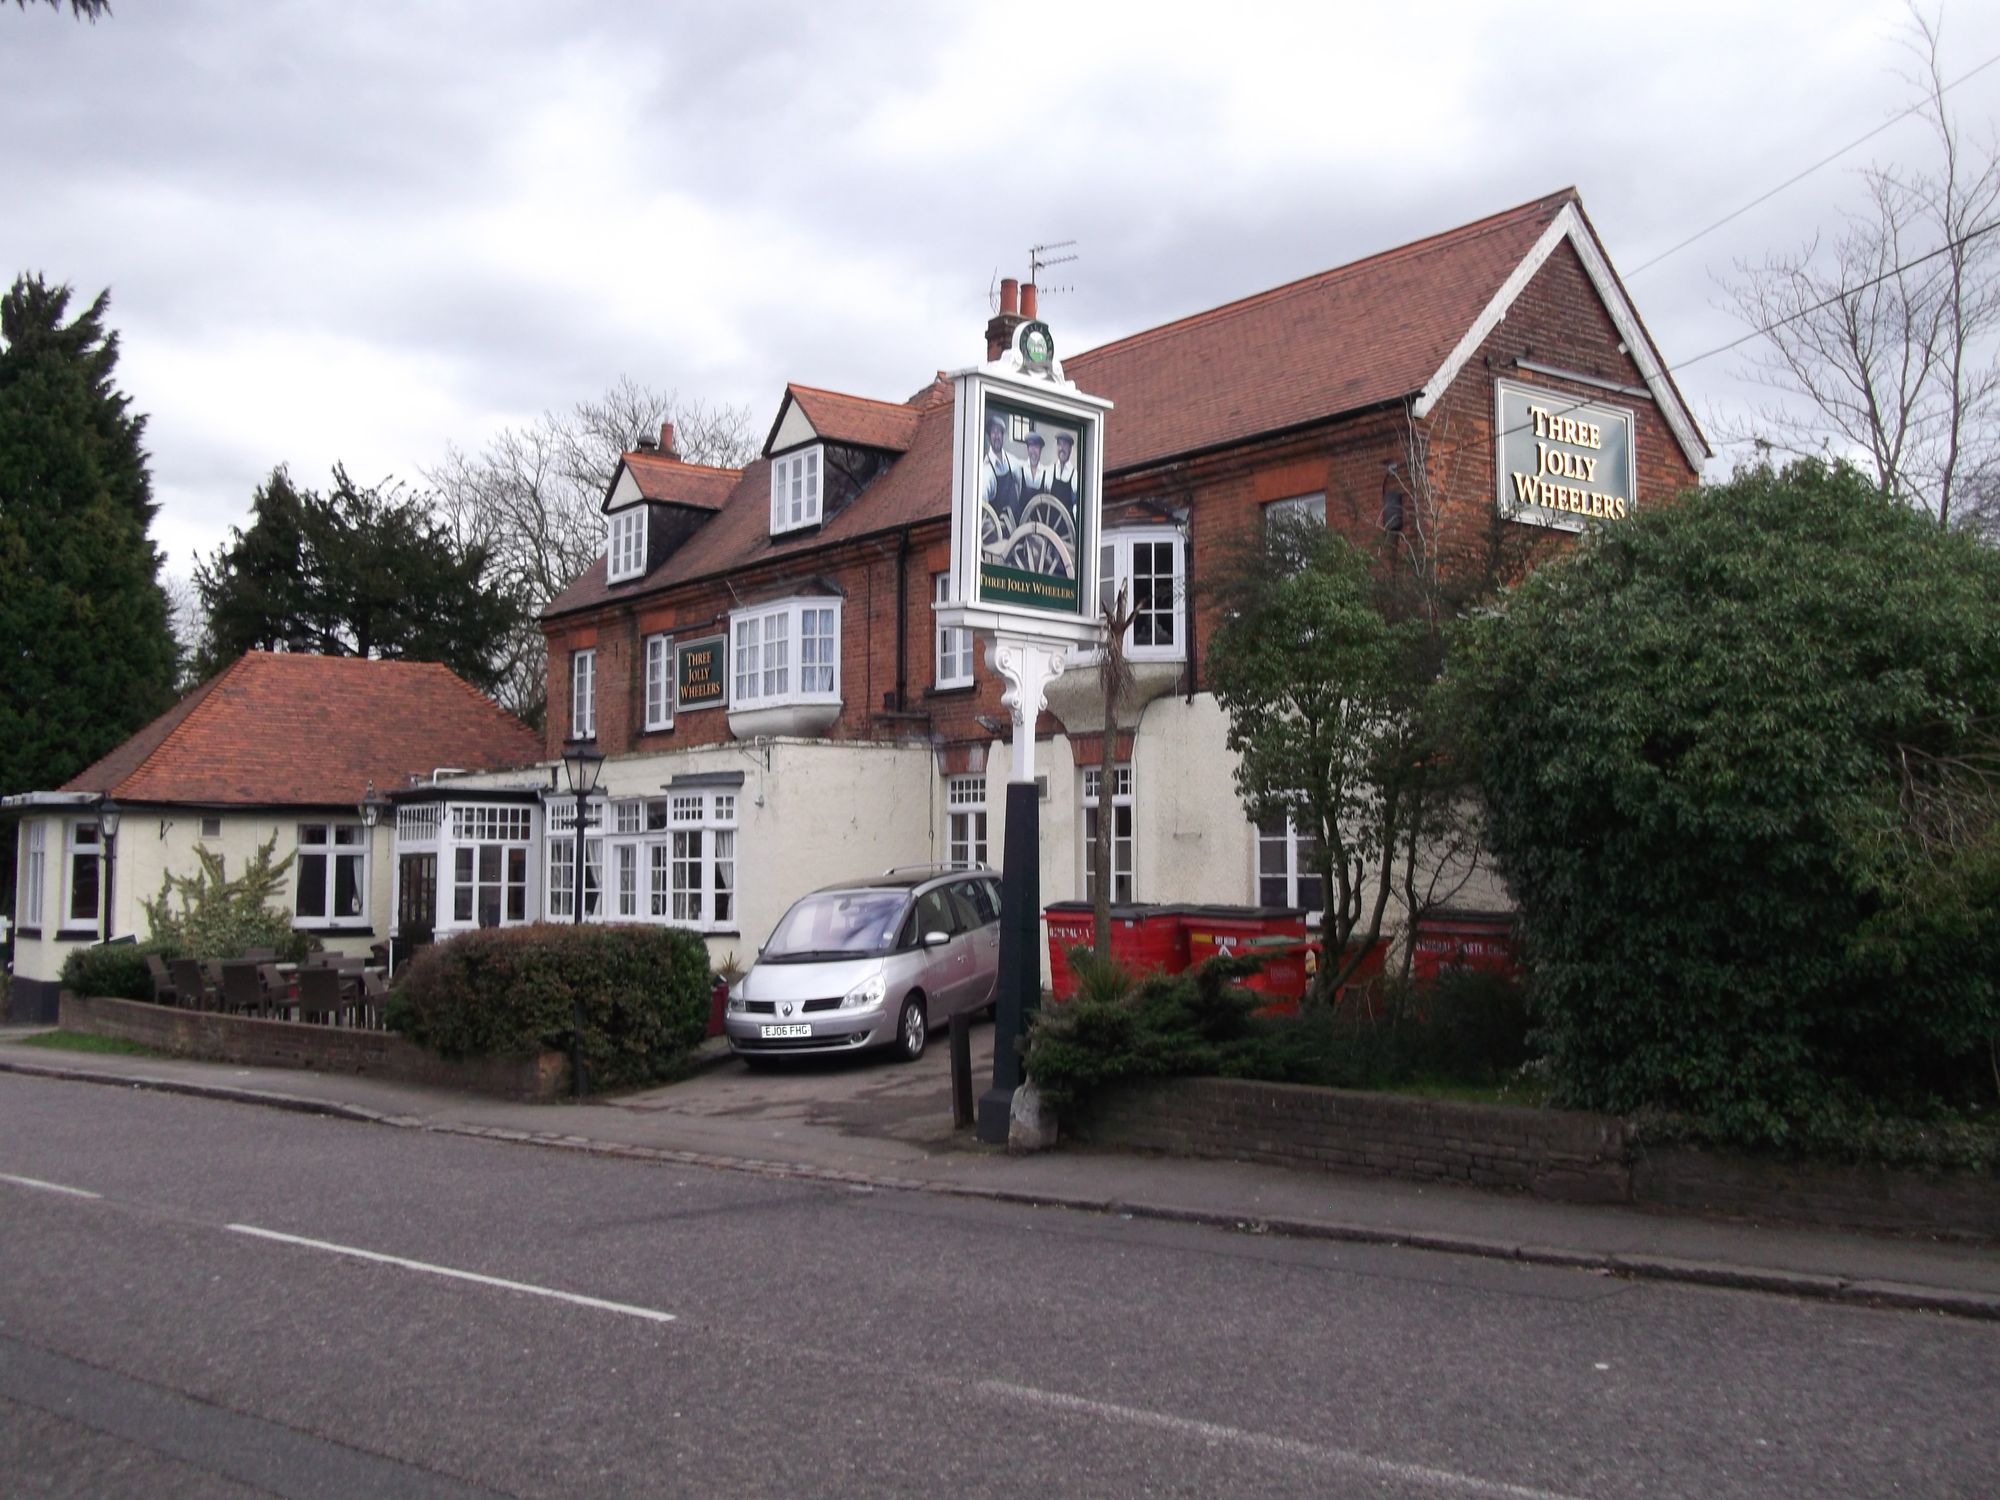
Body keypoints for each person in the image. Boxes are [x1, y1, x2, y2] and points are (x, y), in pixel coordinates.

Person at [980, 410, 1024, 536]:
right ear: (989, 436)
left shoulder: (1011, 461)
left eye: (999, 432)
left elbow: (1024, 468)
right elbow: (982, 508)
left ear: (1003, 435)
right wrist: (994, 528)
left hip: (1017, 526)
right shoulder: (986, 471)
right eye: (993, 432)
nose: (997, 436)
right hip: (999, 534)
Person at [1049, 430, 1080, 508]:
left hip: (1066, 519)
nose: (1061, 448)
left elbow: (1076, 505)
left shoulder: (1075, 475)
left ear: (1070, 449)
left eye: (1065, 445)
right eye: (1059, 444)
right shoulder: (1050, 470)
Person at [1019, 431, 1051, 498]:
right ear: (1027, 449)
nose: (1033, 451)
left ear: (1040, 450)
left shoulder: (1046, 473)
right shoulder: (1019, 469)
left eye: (1036, 447)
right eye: (1031, 446)